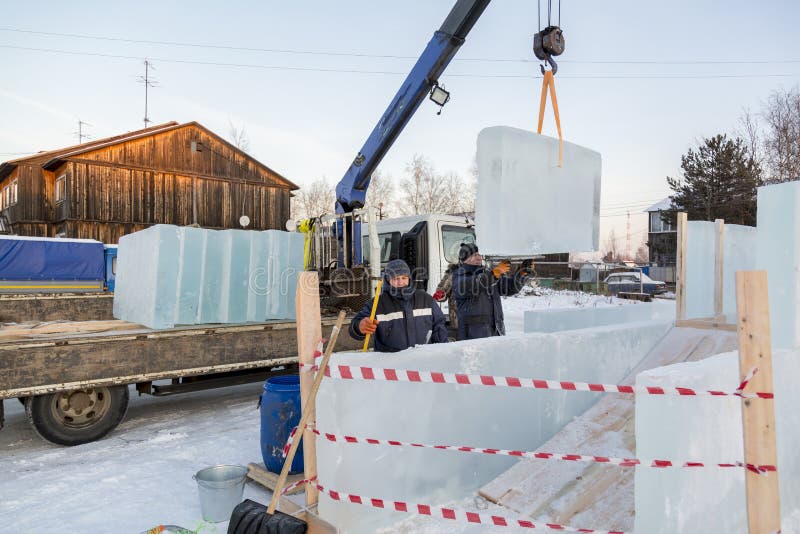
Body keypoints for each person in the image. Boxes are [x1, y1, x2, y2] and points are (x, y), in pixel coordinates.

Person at [349, 259, 448, 352]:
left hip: (423, 359)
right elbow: (355, 326)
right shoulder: (377, 304)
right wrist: (359, 326)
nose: (401, 282)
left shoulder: (425, 299)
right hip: (390, 364)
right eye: (396, 278)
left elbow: (439, 325)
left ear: (409, 278)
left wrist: (442, 350)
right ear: (388, 280)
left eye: (404, 278)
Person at [452, 243, 523, 340]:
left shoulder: (488, 274)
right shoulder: (460, 275)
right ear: (464, 258)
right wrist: (493, 275)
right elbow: (472, 285)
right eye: (474, 255)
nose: (479, 258)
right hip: (473, 335)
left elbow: (510, 288)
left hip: (496, 332)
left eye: (479, 255)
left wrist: (521, 274)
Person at [433, 263, 459, 331]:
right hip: (457, 320)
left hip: (479, 319)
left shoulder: (481, 271)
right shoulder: (452, 271)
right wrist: (451, 278)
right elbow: (440, 293)